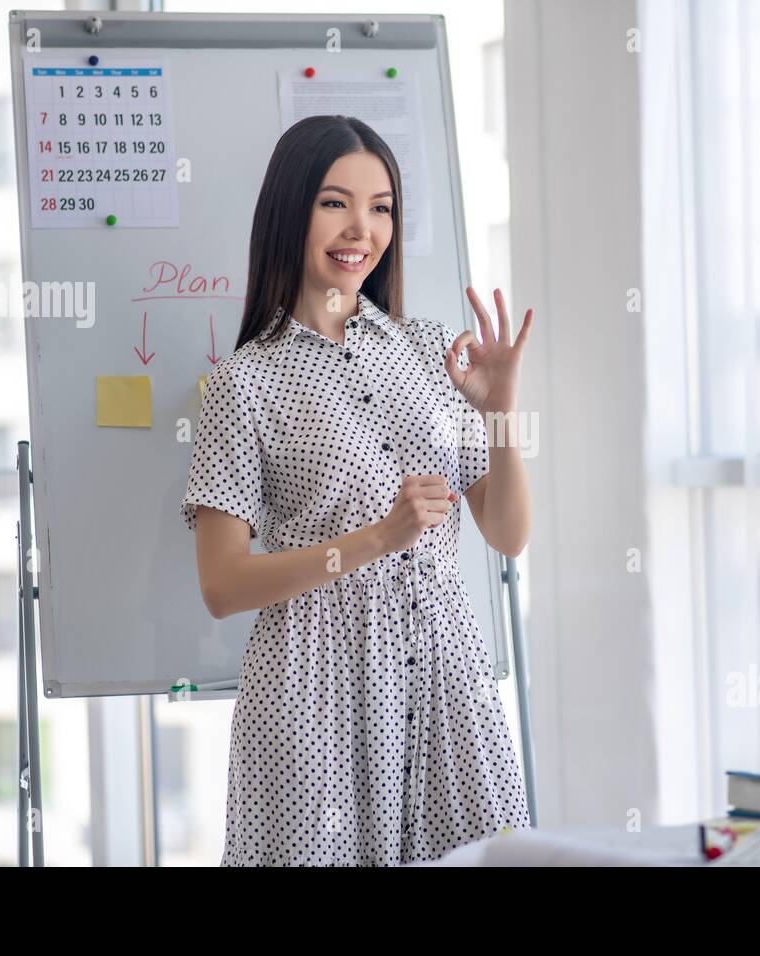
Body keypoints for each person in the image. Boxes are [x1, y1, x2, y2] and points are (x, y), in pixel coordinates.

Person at [180, 114, 535, 865]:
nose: (361, 228)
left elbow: (507, 533)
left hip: (447, 683)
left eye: (381, 207)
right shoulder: (245, 383)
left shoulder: (424, 350)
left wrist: (500, 415)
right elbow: (222, 583)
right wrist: (378, 539)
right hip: (315, 701)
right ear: (292, 210)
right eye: (335, 202)